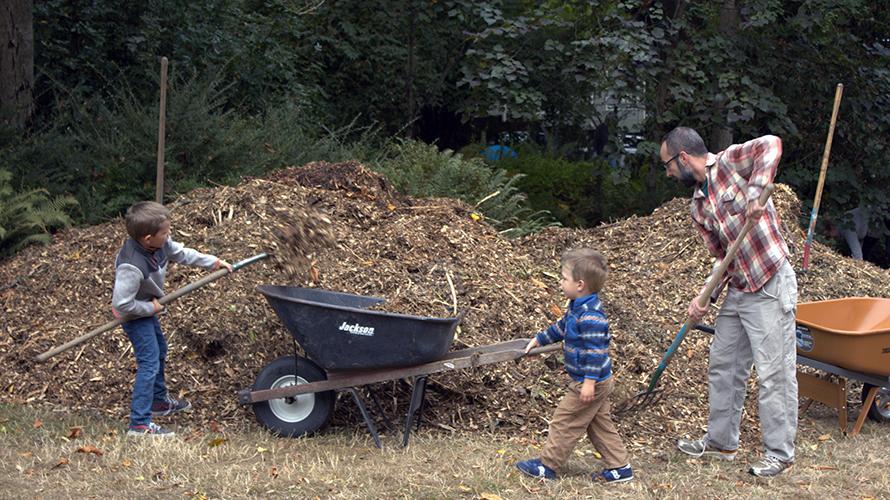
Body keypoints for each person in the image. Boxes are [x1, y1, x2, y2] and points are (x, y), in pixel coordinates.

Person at [660, 127, 798, 477]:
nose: (669, 173)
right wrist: (705, 297)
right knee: (724, 366)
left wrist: (754, 196)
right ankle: (722, 442)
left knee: (773, 372)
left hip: (769, 282)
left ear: (684, 157)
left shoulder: (730, 163)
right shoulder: (697, 207)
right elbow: (722, 258)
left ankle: (779, 453)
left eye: (669, 165)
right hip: (738, 288)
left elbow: (771, 145)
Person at [112, 201, 231, 437]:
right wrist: (149, 307)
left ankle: (157, 402)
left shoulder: (161, 245)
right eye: (165, 232)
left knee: (160, 351)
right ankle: (139, 424)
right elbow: (121, 304)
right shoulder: (131, 265)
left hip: (147, 307)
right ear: (147, 239)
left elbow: (183, 254)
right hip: (134, 314)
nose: (169, 236)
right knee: (149, 363)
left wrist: (214, 262)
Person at [515, 248, 633, 484]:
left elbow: (596, 353)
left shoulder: (591, 316)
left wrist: (588, 383)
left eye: (563, 278)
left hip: (590, 381)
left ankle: (547, 466)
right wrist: (540, 339)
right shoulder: (577, 307)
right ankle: (620, 468)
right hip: (595, 380)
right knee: (599, 424)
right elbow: (562, 327)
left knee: (564, 420)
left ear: (580, 284)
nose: (560, 282)